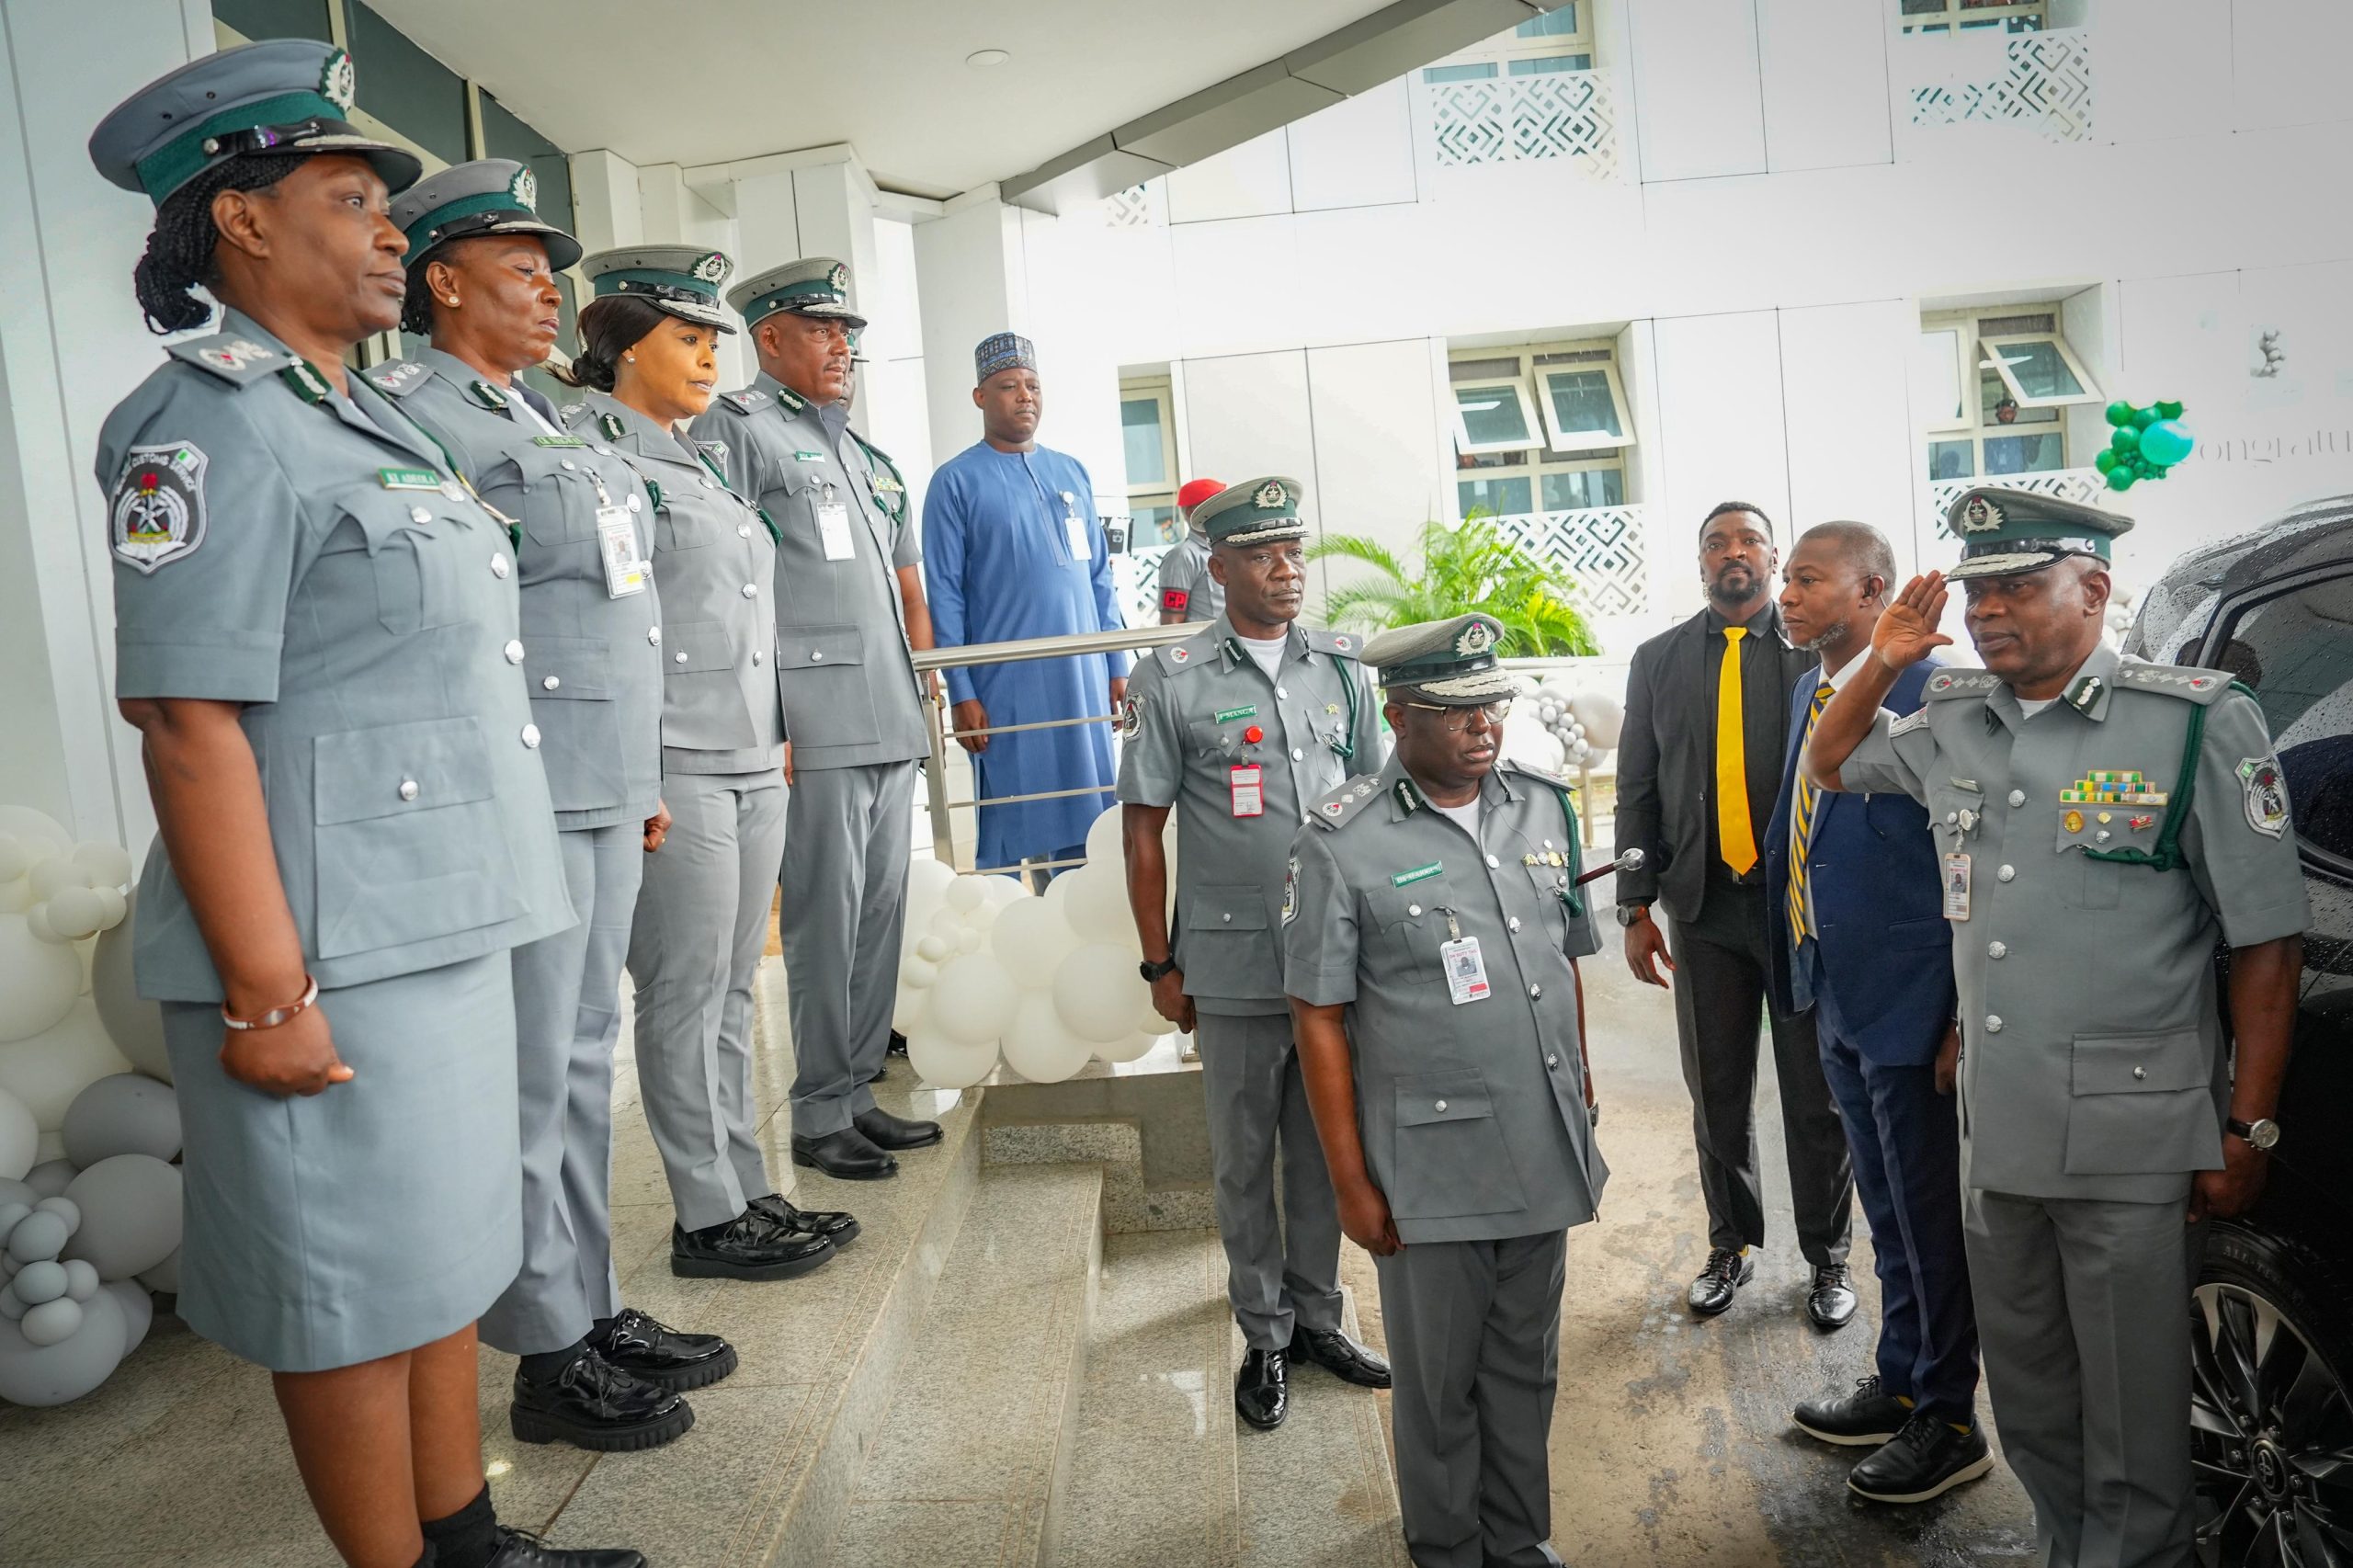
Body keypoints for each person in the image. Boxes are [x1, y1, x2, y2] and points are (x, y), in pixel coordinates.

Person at [89, 40, 642, 1568]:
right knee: (345, 1301)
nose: (395, 225)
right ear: (245, 221)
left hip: (439, 922)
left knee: (437, 1268)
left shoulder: (375, 416)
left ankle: (465, 1535)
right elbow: (189, 726)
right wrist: (269, 996)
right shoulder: (203, 426)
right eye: (353, 195)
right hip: (321, 953)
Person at [1804, 487, 2308, 1568]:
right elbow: (1831, 761)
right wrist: (1883, 658)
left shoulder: (2193, 721)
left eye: (2018, 586)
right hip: (2000, 1126)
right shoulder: (1951, 718)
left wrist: (2247, 1123)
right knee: (2031, 1393)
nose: (1989, 610)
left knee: (2133, 1409)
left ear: (2093, 588)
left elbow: (2267, 938)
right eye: (1978, 589)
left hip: (2129, 1131)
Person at [369, 160, 741, 1453]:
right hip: (523, 792)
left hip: (602, 787)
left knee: (585, 1061)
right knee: (536, 1076)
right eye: (518, 267)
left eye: (549, 268)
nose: (546, 289)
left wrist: (636, 776)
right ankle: (543, 1351)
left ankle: (587, 1303)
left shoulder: (551, 420)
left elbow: (612, 608)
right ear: (441, 280)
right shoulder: (419, 416)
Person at [1285, 613, 1608, 1568]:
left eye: (1491, 704)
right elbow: (1317, 1014)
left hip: (1540, 1140)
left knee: (1525, 1369)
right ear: (1397, 713)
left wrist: (1580, 1083)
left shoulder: (1542, 806)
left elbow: (1564, 962)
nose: (1483, 725)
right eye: (1455, 709)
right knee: (1438, 1386)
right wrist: (1349, 1179)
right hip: (1429, 1164)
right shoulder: (1342, 839)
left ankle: (1518, 1541)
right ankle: (1446, 1547)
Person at [559, 246, 851, 1281]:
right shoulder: (593, 454)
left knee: (733, 986)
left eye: (711, 340)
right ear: (623, 345)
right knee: (682, 990)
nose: (707, 359)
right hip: (672, 755)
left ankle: (744, 1184)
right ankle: (702, 1214)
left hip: (745, 748)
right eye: (687, 339)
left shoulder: (699, 457)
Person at [1116, 476, 1388, 1431]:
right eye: (1264, 555)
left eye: (1294, 552)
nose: (1287, 571)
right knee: (1241, 1155)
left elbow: (1376, 808)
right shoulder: (1175, 677)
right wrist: (1160, 962)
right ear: (1217, 565)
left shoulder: (1342, 669)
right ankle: (1264, 1332)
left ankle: (1319, 1316)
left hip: (1331, 957)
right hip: (1227, 964)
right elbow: (1143, 830)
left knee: (1321, 1147)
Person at [691, 257, 938, 1180]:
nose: (844, 346)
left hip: (887, 716)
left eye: (851, 333)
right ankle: (817, 1108)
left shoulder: (867, 458)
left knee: (879, 914)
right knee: (824, 923)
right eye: (823, 328)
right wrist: (766, 716)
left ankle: (856, 1088)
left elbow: (896, 593)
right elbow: (727, 584)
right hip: (814, 719)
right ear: (770, 338)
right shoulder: (738, 429)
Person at [1763, 523, 1985, 1504]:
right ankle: (1901, 1381)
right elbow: (1801, 842)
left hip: (1910, 1003)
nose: (1786, 592)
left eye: (1808, 579)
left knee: (1929, 1216)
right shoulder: (1817, 691)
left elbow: (1966, 871)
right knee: (1888, 1213)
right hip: (1836, 992)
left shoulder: (1930, 695)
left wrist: (1956, 1013)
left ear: (1875, 591)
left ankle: (1948, 1415)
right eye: (1786, 578)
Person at [1614, 501, 1856, 1324]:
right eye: (1717, 542)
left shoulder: (1816, 656)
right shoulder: (1657, 660)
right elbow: (1636, 784)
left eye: (1750, 540)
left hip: (1798, 909)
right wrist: (1634, 905)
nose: (1733, 554)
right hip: (1702, 909)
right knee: (1716, 1089)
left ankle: (1828, 1259)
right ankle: (1731, 1245)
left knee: (1814, 1093)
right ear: (1701, 563)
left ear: (1775, 557)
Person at [924, 333, 1129, 882]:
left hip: (1081, 680)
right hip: (1006, 687)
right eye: (1008, 387)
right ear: (980, 398)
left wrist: (1117, 664)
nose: (1025, 397)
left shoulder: (1072, 473)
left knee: (1088, 821)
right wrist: (961, 690)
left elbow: (1099, 576)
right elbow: (944, 593)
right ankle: (1003, 947)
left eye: (1033, 386)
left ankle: (1079, 936)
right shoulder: (954, 482)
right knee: (1010, 823)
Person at [1155, 476, 1229, 624]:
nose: (1224, 512)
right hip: (1205, 644)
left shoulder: (1228, 549)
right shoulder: (1182, 557)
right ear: (1192, 512)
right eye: (1216, 506)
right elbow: (1171, 623)